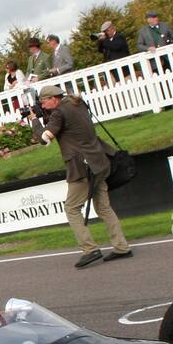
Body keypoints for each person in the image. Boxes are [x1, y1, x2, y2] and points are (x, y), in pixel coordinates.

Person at [37, 85, 131, 268]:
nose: (42, 105)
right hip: (99, 161)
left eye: (43, 101)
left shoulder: (58, 113)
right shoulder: (77, 104)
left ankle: (90, 249)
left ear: (53, 99)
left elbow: (44, 139)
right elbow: (69, 127)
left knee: (72, 209)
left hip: (82, 168)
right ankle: (121, 246)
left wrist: (34, 120)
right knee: (103, 207)